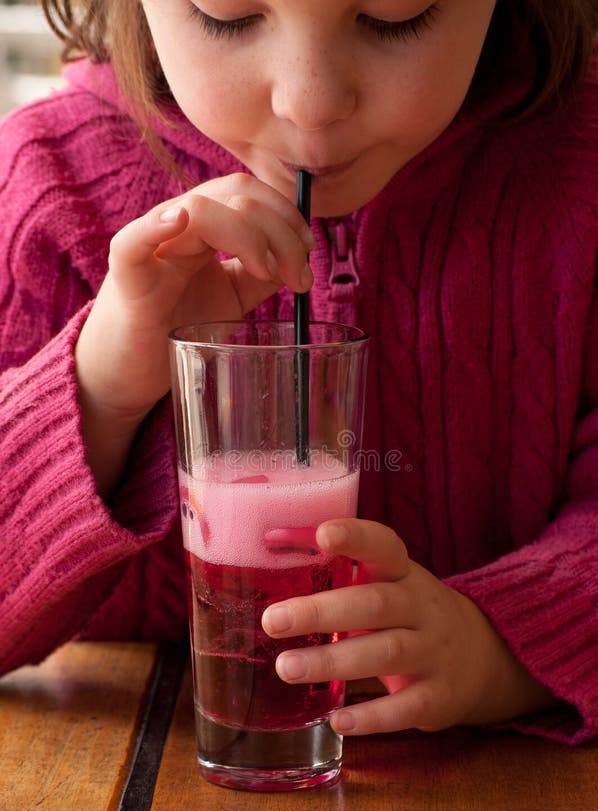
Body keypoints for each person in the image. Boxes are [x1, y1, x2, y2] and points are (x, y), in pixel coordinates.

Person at [0, 0, 596, 745]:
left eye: (395, 17)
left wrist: (500, 650)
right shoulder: (48, 179)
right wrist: (103, 387)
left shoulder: (581, 170)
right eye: (226, 14)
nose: (309, 105)